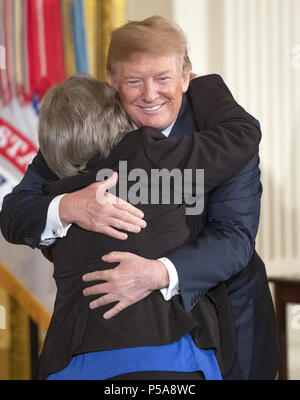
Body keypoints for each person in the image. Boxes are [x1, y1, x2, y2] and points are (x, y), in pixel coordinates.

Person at [0, 16, 279, 380]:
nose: (150, 94)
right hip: (96, 338)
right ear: (113, 82)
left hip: (226, 319)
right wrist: (69, 207)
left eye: (163, 78)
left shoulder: (221, 137)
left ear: (185, 77)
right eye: (134, 81)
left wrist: (158, 273)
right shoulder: (87, 126)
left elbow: (234, 239)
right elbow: (14, 214)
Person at [37, 74, 240, 380]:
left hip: (77, 362)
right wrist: (201, 83)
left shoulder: (50, 201)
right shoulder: (152, 153)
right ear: (116, 120)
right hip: (174, 356)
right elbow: (239, 139)